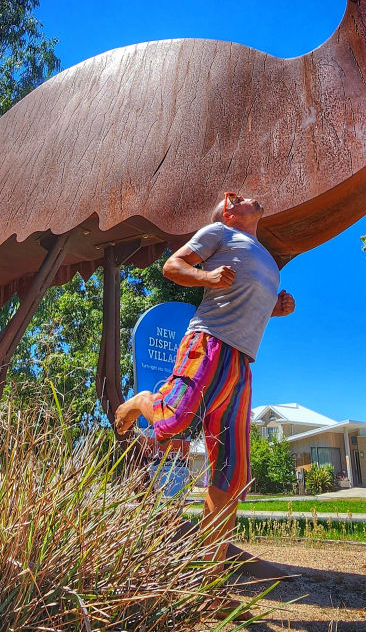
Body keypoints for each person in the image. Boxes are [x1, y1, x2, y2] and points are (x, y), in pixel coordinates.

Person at [115, 191, 295, 562]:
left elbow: (248, 306)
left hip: (241, 364)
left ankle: (209, 576)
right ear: (229, 211)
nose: (252, 197)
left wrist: (275, 309)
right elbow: (172, 267)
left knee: (231, 469)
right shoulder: (219, 232)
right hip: (207, 344)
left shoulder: (268, 262)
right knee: (175, 418)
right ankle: (140, 402)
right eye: (241, 197)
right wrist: (207, 276)